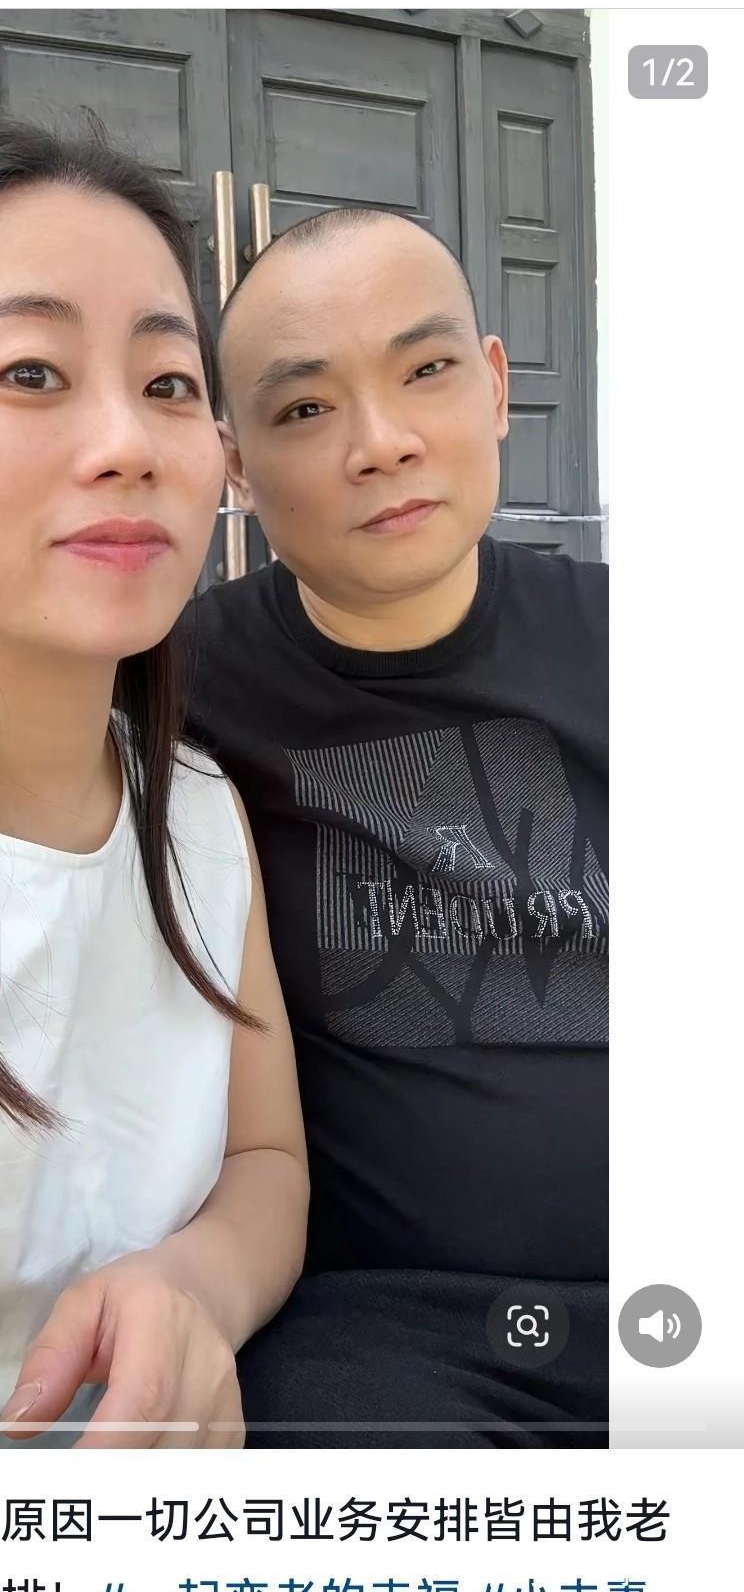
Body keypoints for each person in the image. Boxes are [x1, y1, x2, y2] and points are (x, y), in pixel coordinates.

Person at [0, 116, 308, 1449]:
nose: (127, 441)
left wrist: (190, 1287)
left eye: (169, 382)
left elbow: (265, 1162)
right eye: (31, 372)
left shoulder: (201, 815)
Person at [181, 206, 608, 1447]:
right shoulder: (175, 687)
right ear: (236, 466)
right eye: (307, 407)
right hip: (396, 1339)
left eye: (425, 372)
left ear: (495, 387)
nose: (382, 444)